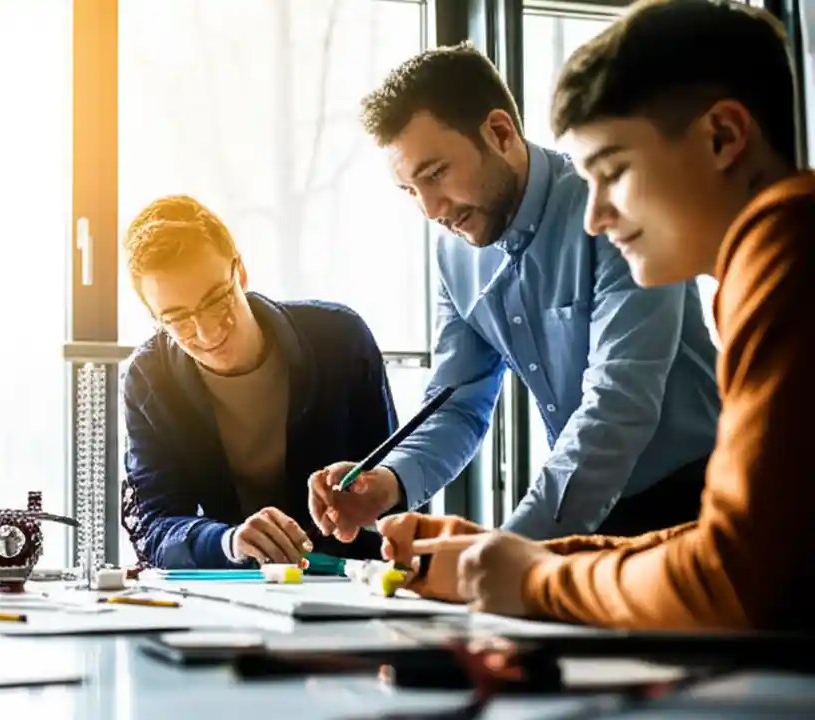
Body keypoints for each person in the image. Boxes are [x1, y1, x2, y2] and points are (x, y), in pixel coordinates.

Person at [385, 0, 813, 631]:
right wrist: (524, 556)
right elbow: (729, 550)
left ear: (723, 138)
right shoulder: (768, 262)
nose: (596, 217)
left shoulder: (789, 253)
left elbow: (731, 574)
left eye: (614, 171)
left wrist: (533, 573)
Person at [308, 41, 721, 547]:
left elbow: (618, 401)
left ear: (500, 133)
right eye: (410, 191)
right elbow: (457, 406)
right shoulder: (453, 255)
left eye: (435, 174)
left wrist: (511, 545)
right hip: (582, 518)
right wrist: (387, 484)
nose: (431, 209)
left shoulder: (613, 212)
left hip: (697, 505)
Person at [120, 195, 399, 568]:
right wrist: (228, 541)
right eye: (177, 319)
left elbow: (396, 483)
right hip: (235, 588)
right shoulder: (149, 379)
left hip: (351, 580)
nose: (205, 332)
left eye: (216, 299)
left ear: (241, 271)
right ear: (154, 316)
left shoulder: (341, 340)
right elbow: (154, 526)